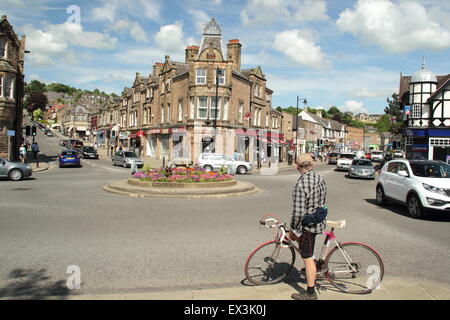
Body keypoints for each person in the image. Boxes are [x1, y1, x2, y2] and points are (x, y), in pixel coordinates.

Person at [289, 153, 327, 300]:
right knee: (307, 250)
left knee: (307, 257)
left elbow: (298, 213)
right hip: (319, 220)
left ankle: (310, 293)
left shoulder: (301, 184)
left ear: (297, 166)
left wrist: (293, 229)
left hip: (309, 225)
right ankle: (314, 267)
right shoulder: (320, 178)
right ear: (312, 165)